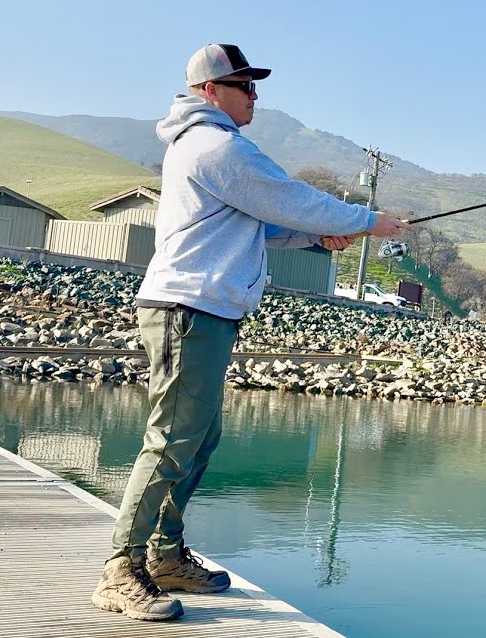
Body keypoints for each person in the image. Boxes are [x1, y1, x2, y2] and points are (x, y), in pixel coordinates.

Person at [91, 43, 410, 622]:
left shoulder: (206, 147)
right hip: (189, 308)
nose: (254, 96)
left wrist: (316, 238)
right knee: (172, 440)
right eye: (244, 85)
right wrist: (369, 221)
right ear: (211, 90)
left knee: (198, 439)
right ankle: (121, 569)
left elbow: (257, 224)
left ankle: (164, 557)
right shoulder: (216, 145)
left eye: (255, 85)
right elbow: (288, 198)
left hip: (202, 309)